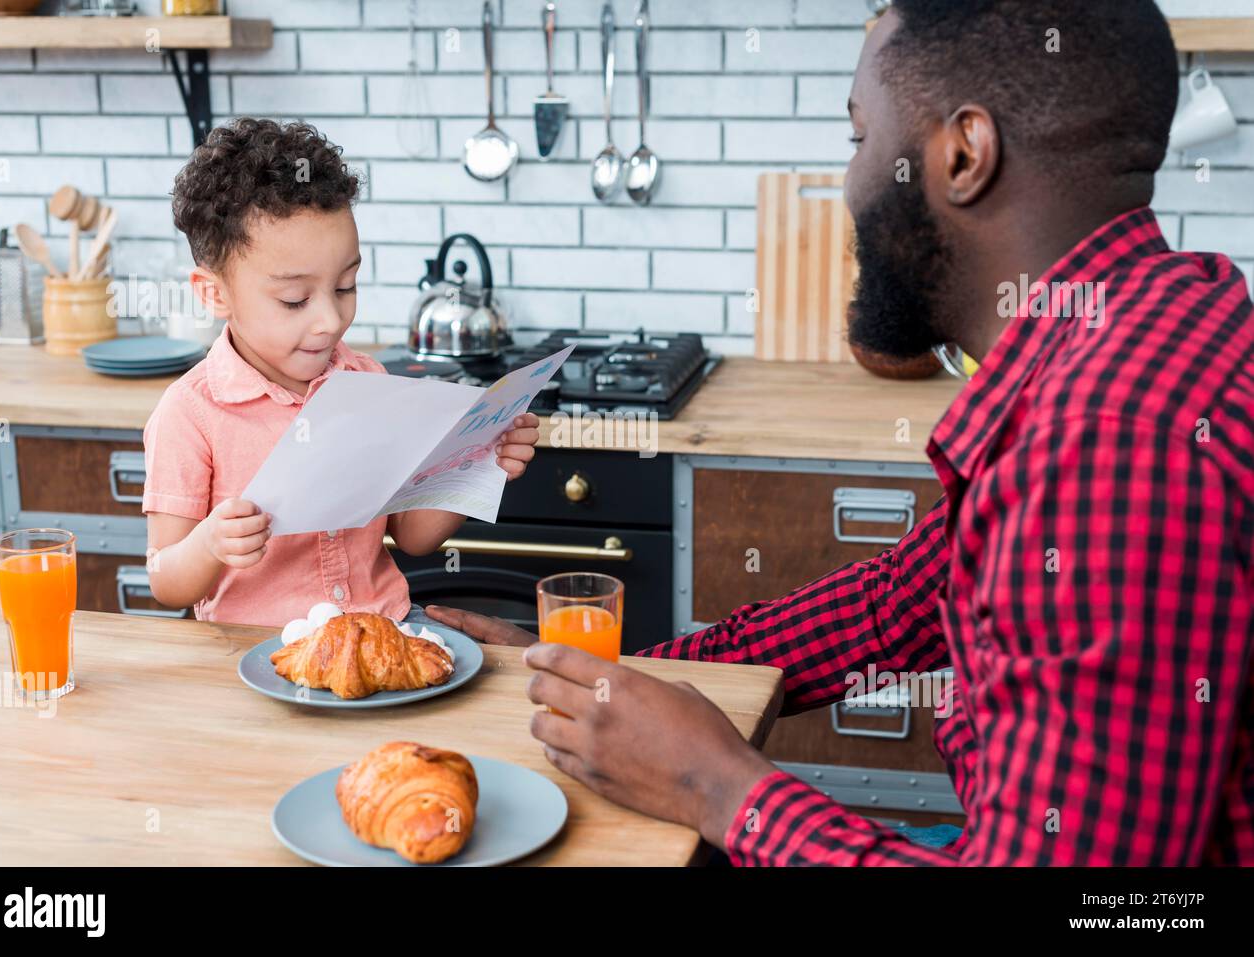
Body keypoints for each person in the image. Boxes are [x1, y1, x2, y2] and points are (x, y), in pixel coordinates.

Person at [426, 0, 1254, 865]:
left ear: (963, 154)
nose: (851, 185)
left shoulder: (1110, 448)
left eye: (861, 140)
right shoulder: (1153, 321)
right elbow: (895, 604)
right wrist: (628, 678)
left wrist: (716, 783)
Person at [141, 118, 539, 627]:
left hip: (383, 629)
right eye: (294, 299)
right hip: (253, 657)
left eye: (346, 286)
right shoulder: (191, 412)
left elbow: (413, 535)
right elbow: (166, 581)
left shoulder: (365, 378)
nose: (330, 320)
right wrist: (209, 543)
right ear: (214, 293)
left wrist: (480, 462)